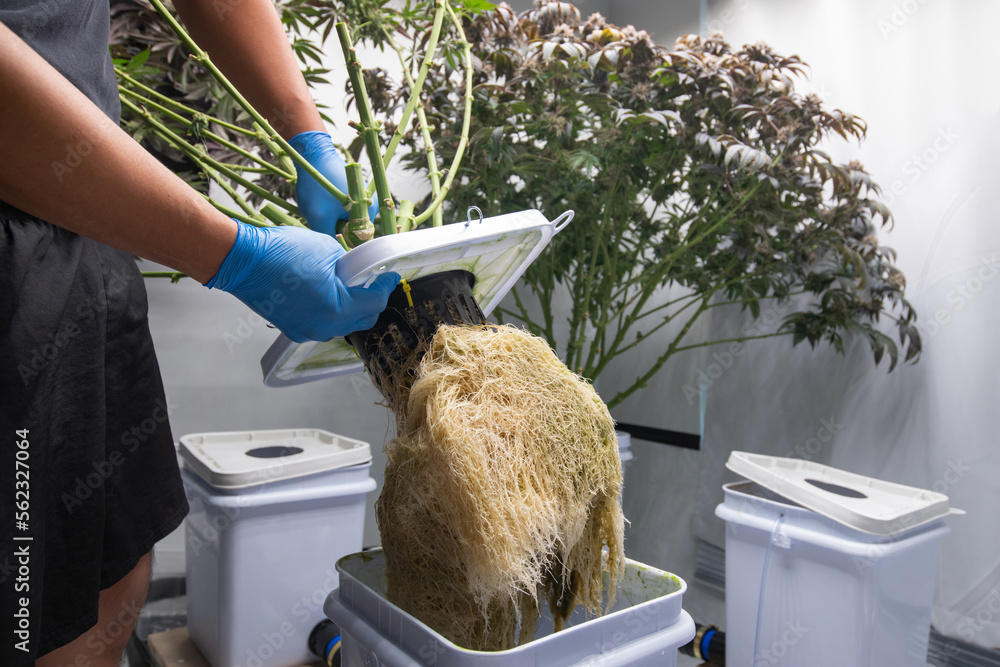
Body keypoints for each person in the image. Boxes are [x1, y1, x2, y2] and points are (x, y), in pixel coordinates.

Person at [0, 0, 398, 663]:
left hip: (89, 235)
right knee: (21, 605)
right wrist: (234, 255)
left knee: (115, 569)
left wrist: (306, 133)